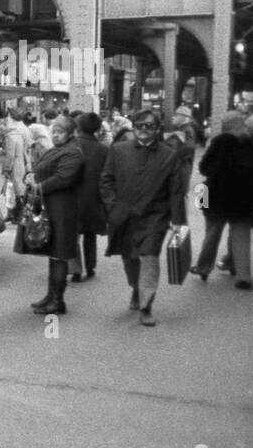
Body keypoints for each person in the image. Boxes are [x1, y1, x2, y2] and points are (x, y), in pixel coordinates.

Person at [100, 109, 188, 326]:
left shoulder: (169, 155)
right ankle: (136, 288)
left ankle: (147, 305)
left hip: (155, 216)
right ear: (134, 127)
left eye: (149, 126)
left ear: (158, 129)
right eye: (140, 125)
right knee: (129, 257)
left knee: (149, 257)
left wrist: (178, 221)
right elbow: (106, 180)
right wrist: (113, 206)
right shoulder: (119, 150)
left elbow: (176, 189)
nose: (144, 130)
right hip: (124, 215)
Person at [16, 114, 85, 315]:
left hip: (63, 209)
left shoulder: (73, 152)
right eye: (53, 131)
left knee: (59, 254)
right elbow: (43, 169)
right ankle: (51, 296)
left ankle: (57, 300)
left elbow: (63, 178)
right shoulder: (59, 149)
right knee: (54, 254)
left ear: (70, 133)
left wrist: (38, 185)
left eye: (60, 132)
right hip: (53, 206)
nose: (55, 135)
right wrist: (31, 176)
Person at [191, 111, 253, 288]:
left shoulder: (218, 141)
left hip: (213, 194)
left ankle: (203, 267)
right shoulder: (249, 142)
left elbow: (203, 167)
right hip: (243, 196)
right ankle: (238, 270)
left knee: (212, 232)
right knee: (239, 232)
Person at [70, 112, 108, 282]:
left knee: (73, 234)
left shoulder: (72, 145)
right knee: (90, 234)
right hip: (94, 197)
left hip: (74, 195)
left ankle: (76, 269)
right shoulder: (103, 149)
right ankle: (91, 266)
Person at [0, 108, 31, 220]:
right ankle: (17, 214)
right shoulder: (25, 129)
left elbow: (10, 155)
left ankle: (15, 215)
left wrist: (6, 169)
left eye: (8, 116)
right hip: (23, 162)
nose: (7, 118)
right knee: (20, 190)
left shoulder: (11, 134)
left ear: (11, 117)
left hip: (14, 165)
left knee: (12, 190)